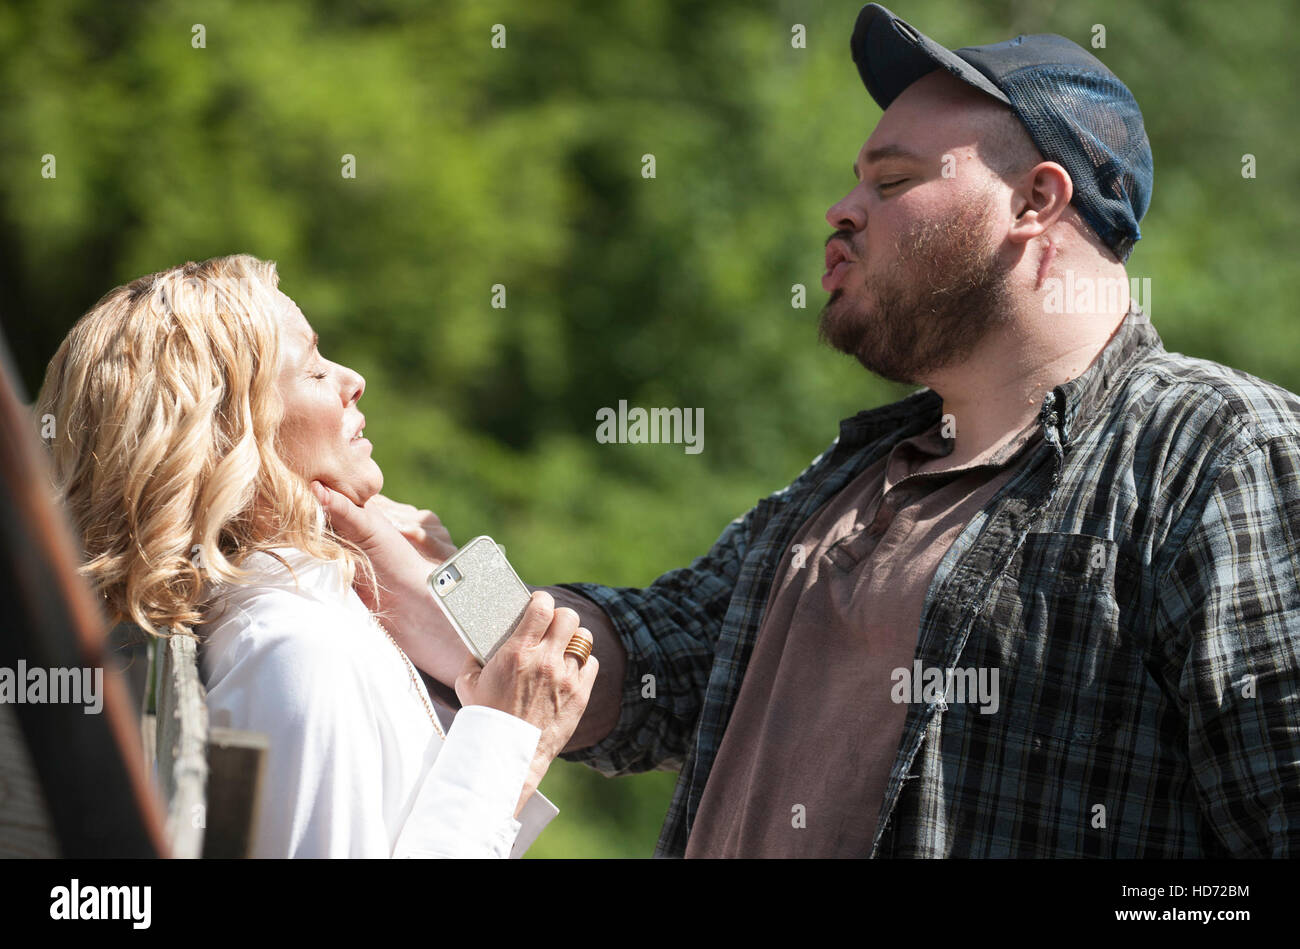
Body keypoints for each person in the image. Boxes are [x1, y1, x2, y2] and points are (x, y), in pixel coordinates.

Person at [320, 2, 1300, 859]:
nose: (840, 210)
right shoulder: (856, 475)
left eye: (892, 180)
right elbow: (648, 667)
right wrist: (453, 577)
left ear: (1036, 202)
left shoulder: (1213, 449)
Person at [35, 254, 598, 857]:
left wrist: (453, 597)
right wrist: (510, 740)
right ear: (231, 439)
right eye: (312, 372)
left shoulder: (309, 615)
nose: (352, 377)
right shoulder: (296, 652)